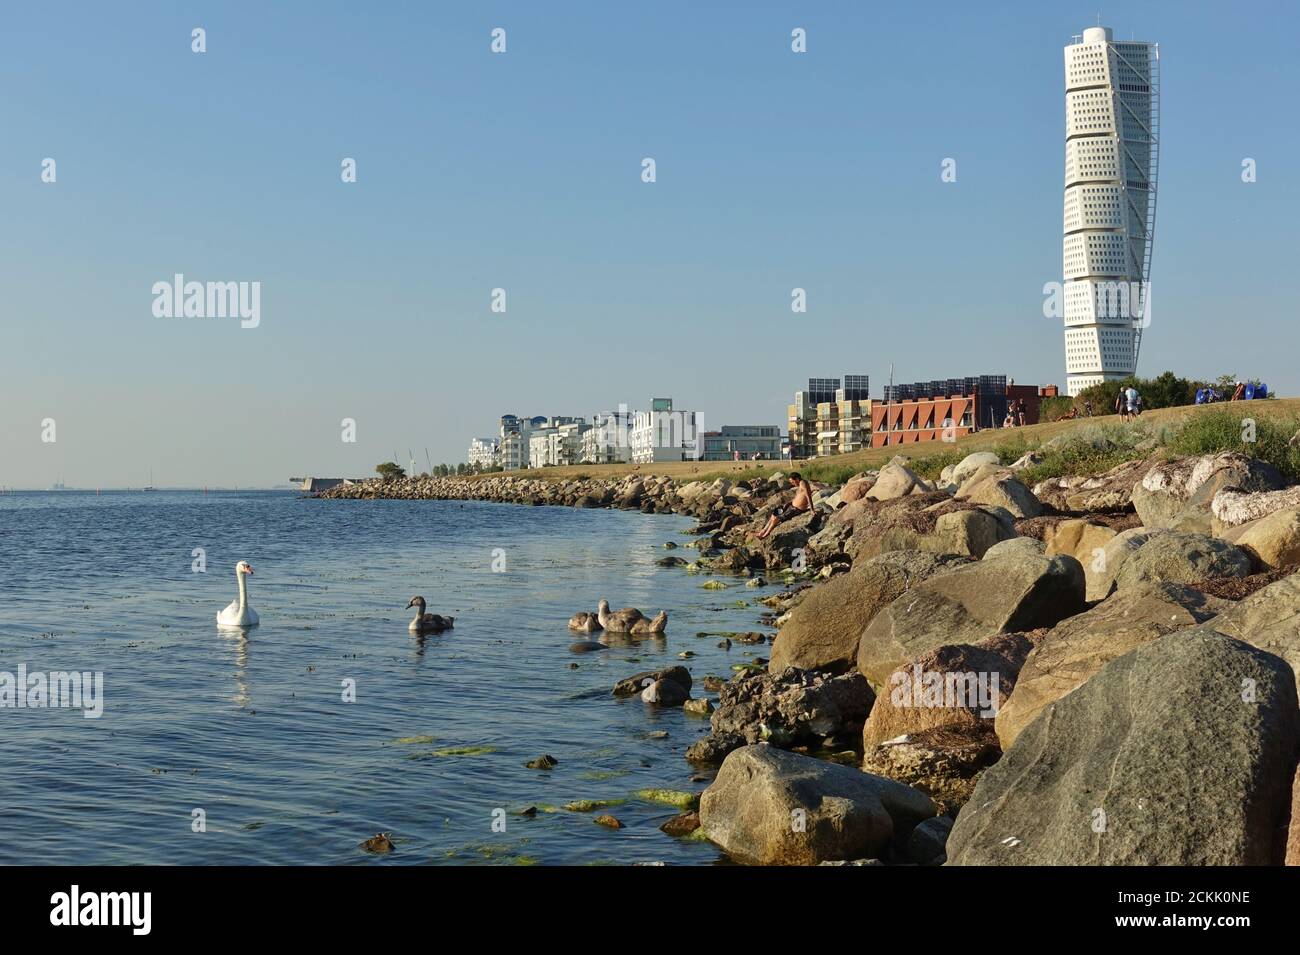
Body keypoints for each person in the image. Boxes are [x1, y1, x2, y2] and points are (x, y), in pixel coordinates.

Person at [755, 472, 816, 540]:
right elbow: (798, 497)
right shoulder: (799, 485)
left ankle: (765, 535)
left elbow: (808, 496)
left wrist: (812, 509)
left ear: (797, 479)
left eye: (793, 482)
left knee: (776, 519)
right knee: (774, 514)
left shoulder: (803, 483)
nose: (792, 484)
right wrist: (789, 503)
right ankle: (762, 531)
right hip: (791, 506)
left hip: (795, 509)